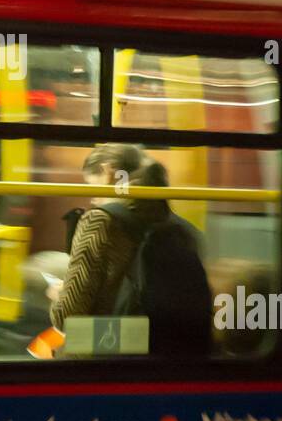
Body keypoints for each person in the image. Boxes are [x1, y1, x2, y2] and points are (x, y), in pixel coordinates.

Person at [49, 143, 211, 352]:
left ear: (109, 171)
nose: (92, 197)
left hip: (115, 354)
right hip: (174, 353)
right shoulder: (184, 229)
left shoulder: (100, 220)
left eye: (91, 185)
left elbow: (68, 318)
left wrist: (59, 296)